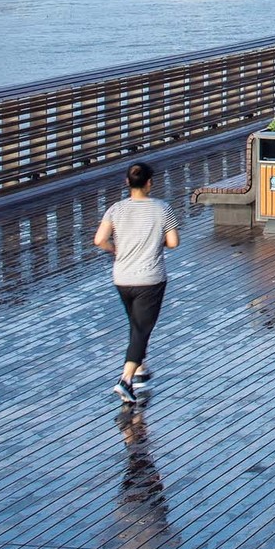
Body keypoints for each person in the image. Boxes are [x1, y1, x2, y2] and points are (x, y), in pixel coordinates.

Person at [95, 162, 180, 404]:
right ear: (150, 182)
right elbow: (173, 242)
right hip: (150, 278)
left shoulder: (115, 209)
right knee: (142, 329)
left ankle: (141, 367)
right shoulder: (162, 209)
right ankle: (126, 379)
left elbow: (99, 239)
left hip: (121, 276)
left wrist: (116, 250)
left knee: (135, 324)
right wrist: (154, 242)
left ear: (127, 183)